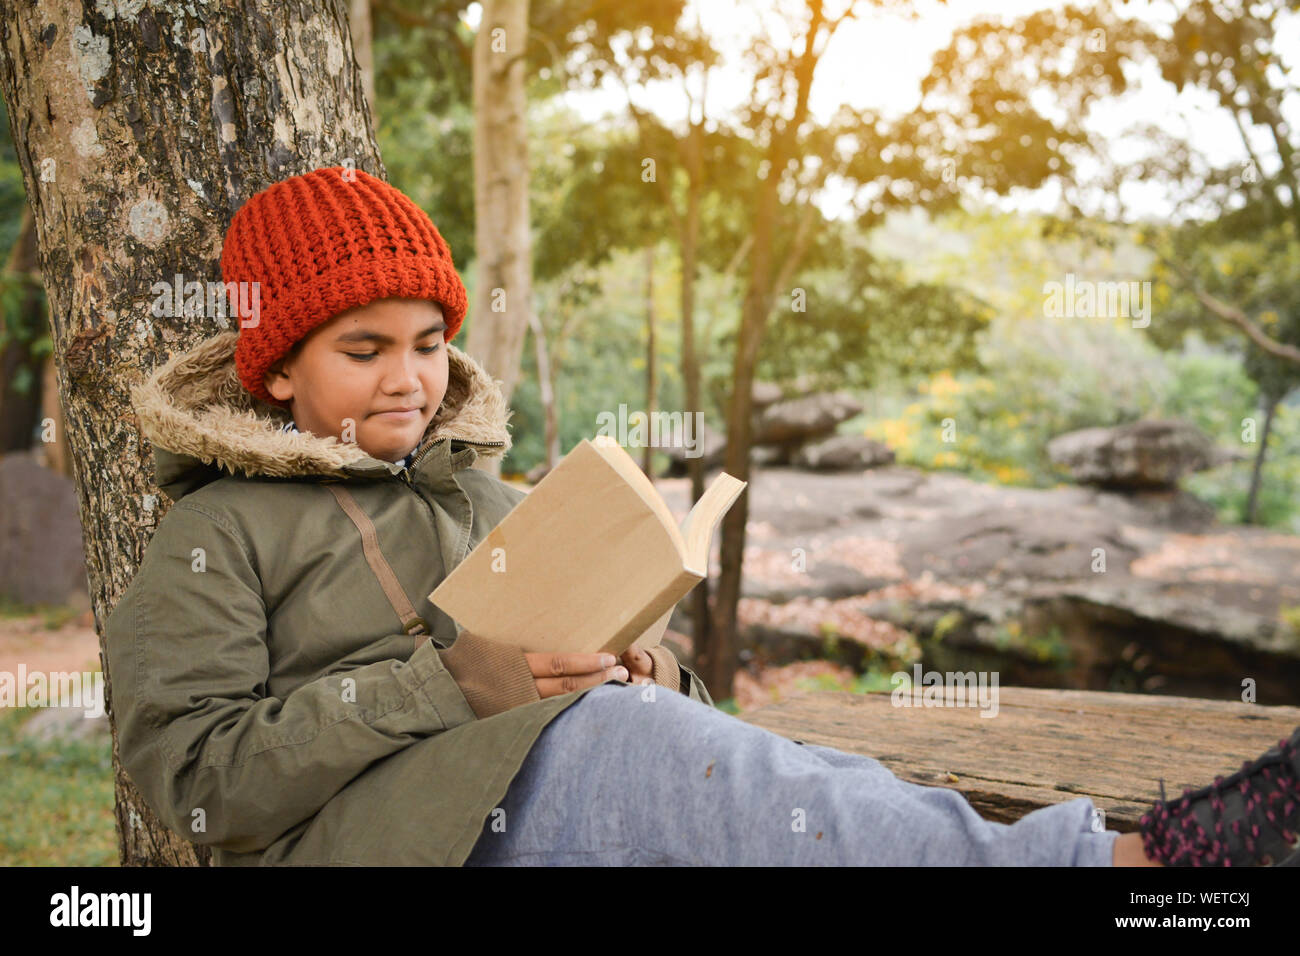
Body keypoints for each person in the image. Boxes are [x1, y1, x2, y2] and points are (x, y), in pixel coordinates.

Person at [103, 166, 1300, 867]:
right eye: (363, 350)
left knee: (789, 763)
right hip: (389, 841)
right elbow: (191, 779)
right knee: (660, 757)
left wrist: (638, 662)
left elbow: (640, 705)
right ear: (273, 371)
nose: (409, 379)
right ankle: (1126, 862)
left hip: (538, 783)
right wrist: (448, 685)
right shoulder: (220, 532)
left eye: (426, 343)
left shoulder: (472, 490)